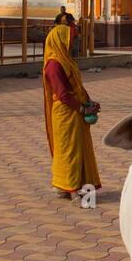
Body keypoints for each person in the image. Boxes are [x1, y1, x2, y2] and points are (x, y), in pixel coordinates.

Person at [43, 24, 101, 199]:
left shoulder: (66, 60)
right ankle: (71, 187)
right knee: (69, 151)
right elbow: (62, 95)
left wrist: (89, 102)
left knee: (78, 148)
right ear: (61, 41)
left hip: (75, 110)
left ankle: (68, 185)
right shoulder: (53, 65)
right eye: (71, 39)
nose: (73, 43)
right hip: (65, 114)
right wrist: (83, 108)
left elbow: (77, 88)